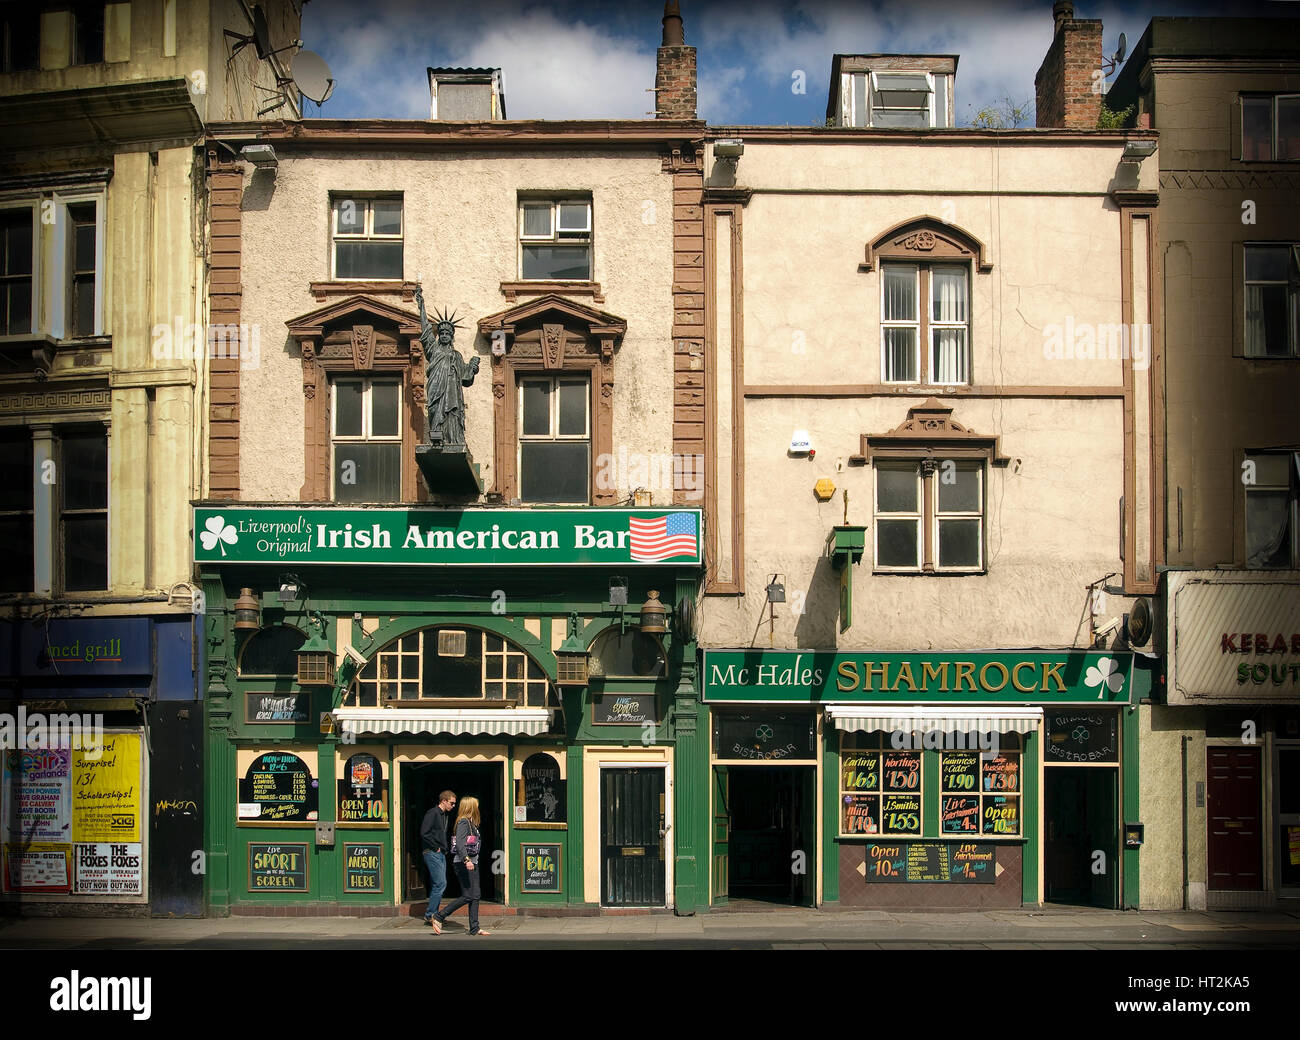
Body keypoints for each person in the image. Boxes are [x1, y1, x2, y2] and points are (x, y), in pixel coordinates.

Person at [431, 795, 490, 936]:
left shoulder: (471, 823)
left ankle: (474, 928)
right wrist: (466, 860)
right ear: (470, 807)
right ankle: (439, 916)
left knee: (475, 896)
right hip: (464, 863)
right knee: (468, 895)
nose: (477, 808)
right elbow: (460, 844)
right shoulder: (463, 822)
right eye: (475, 805)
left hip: (473, 863)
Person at [419, 790, 456, 932]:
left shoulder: (444, 815)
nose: (453, 806)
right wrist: (436, 848)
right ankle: (430, 915)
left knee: (439, 883)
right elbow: (424, 832)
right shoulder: (433, 813)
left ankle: (433, 914)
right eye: (451, 803)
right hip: (432, 852)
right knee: (440, 883)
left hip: (439, 853)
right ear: (444, 801)